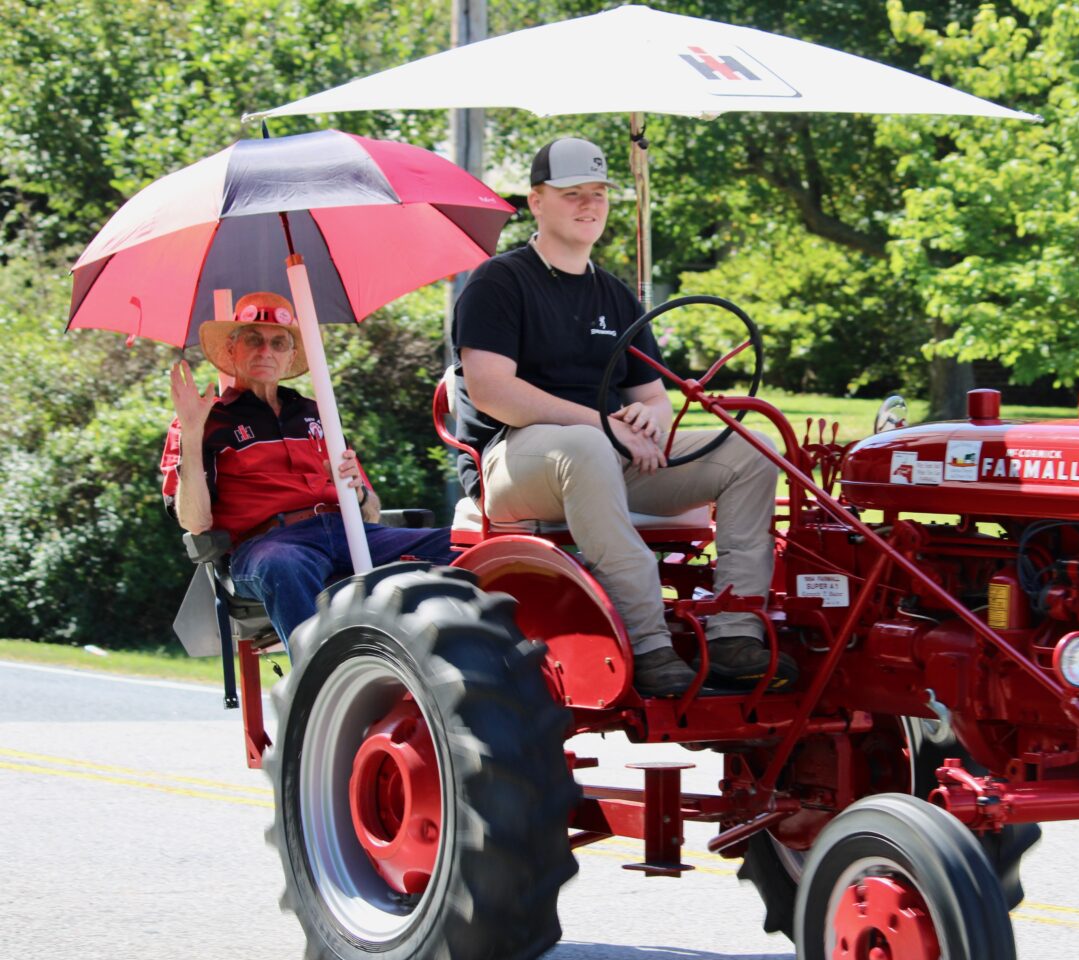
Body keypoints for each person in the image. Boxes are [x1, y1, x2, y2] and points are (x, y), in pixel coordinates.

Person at [451, 136, 796, 698]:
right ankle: (649, 642)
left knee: (749, 449)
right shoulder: (499, 281)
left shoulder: (614, 294)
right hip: (515, 461)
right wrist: (601, 423)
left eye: (598, 194)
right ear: (536, 201)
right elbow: (493, 393)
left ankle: (735, 632)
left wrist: (650, 420)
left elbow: (654, 395)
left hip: (602, 452)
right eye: (571, 194)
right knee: (585, 449)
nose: (589, 205)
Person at [162, 291, 454, 651]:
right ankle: (321, 684)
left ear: (291, 356)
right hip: (271, 542)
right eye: (253, 339)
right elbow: (195, 522)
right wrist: (191, 435)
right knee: (285, 565)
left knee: (457, 544)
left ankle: (455, 662)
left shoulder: (319, 413)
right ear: (232, 350)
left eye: (278, 343)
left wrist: (358, 491)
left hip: (347, 531)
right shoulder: (205, 421)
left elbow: (371, 511)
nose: (265, 351)